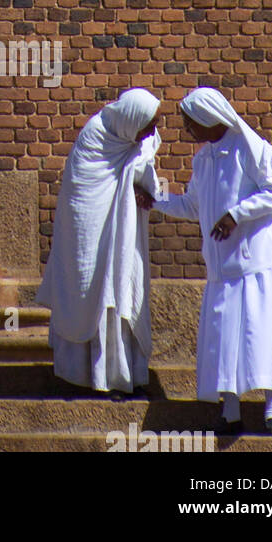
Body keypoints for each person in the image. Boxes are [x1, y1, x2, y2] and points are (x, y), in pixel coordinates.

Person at [147, 87, 272, 434]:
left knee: (264, 333)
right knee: (224, 337)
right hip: (223, 267)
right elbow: (193, 205)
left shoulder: (247, 149)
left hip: (260, 261)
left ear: (210, 119)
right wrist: (156, 200)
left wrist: (236, 214)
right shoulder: (203, 159)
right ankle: (231, 411)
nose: (189, 130)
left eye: (192, 123)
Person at [36, 87, 162, 395]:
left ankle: (118, 375)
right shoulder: (94, 137)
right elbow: (81, 193)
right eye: (146, 126)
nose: (151, 133)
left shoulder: (134, 139)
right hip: (88, 231)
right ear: (130, 120)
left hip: (122, 232)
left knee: (117, 287)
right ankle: (80, 374)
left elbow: (143, 163)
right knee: (90, 287)